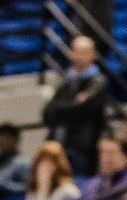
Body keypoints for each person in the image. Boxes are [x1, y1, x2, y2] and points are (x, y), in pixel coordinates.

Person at [42, 36, 110, 176]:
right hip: (58, 147)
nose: (77, 56)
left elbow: (84, 109)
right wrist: (73, 105)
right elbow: (47, 112)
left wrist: (61, 109)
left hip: (81, 149)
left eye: (83, 51)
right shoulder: (67, 81)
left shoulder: (97, 81)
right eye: (75, 51)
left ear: (92, 54)